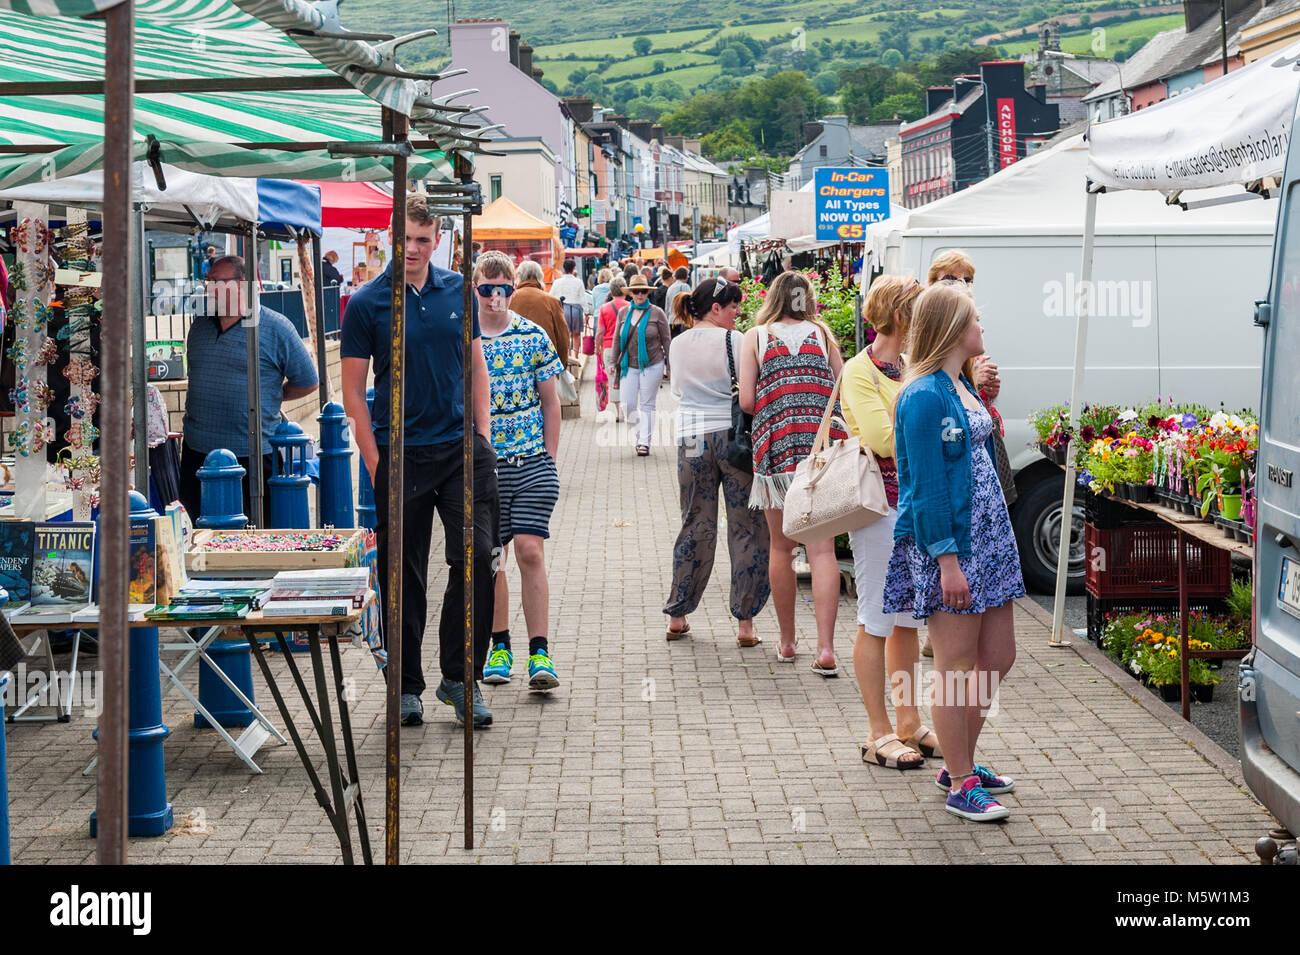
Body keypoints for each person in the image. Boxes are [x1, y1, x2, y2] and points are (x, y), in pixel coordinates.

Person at [340, 194, 499, 729]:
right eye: (405, 238)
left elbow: (476, 366)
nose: (412, 248)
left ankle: (460, 677)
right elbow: (354, 394)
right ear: (390, 235)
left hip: (460, 451)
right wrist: (374, 459)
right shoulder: (367, 303)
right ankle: (405, 685)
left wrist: (482, 433)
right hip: (400, 454)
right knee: (402, 573)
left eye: (423, 240)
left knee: (475, 557)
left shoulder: (459, 291)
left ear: (438, 241)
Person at [881, 281, 1025, 822]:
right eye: (974, 319)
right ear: (952, 329)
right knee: (956, 666)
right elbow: (925, 488)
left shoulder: (958, 383)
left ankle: (960, 757)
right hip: (954, 546)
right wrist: (945, 559)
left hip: (989, 542)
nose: (982, 327)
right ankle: (961, 778)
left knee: (998, 657)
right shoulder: (921, 396)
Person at [841, 275, 941, 771]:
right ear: (902, 316)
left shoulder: (910, 368)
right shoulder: (861, 371)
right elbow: (883, 439)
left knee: (906, 620)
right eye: (918, 310)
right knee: (877, 619)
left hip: (914, 506)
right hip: (880, 509)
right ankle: (877, 732)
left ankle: (909, 721)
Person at [738, 271, 843, 676]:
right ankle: (827, 649)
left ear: (773, 298)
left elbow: (747, 400)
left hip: (776, 447)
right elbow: (841, 387)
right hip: (820, 453)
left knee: (782, 548)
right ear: (808, 298)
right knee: (822, 551)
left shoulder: (757, 336)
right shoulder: (822, 334)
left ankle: (786, 643)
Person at [472, 252, 565, 693]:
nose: (494, 298)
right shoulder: (464, 338)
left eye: (502, 289)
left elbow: (551, 402)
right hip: (484, 466)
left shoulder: (532, 336)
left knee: (530, 549)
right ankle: (500, 645)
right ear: (475, 289)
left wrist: (548, 456)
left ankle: (540, 651)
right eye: (485, 289)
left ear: (513, 288)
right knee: (493, 559)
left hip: (530, 461)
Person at [664, 279, 770, 645]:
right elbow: (748, 389)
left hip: (691, 437)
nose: (738, 312)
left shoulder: (677, 343)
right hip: (732, 437)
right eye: (733, 306)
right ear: (715, 308)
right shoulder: (736, 341)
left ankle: (678, 614)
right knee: (747, 526)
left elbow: (676, 388)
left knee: (695, 521)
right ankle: (745, 624)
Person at [179, 255, 318, 525]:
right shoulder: (199, 326)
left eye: (217, 282)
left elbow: (308, 381)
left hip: (251, 456)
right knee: (196, 535)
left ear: (241, 284)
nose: (209, 289)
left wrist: (269, 397)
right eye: (208, 282)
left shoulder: (276, 327)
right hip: (197, 453)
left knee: (252, 538)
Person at [613, 273, 671, 456]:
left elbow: (667, 340)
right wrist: (612, 362)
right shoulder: (623, 313)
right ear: (630, 293)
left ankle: (644, 442)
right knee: (628, 404)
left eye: (643, 292)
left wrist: (670, 365)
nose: (640, 295)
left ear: (647, 293)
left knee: (648, 404)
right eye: (636, 291)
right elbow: (616, 339)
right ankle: (640, 434)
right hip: (628, 364)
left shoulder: (657, 313)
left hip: (652, 363)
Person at [511, 260, 571, 371]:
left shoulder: (509, 300)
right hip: (546, 365)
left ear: (518, 277)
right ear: (540, 276)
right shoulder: (552, 301)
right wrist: (560, 366)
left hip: (515, 364)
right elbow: (563, 338)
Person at [598, 277, 627, 421]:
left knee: (613, 379)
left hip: (609, 348)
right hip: (628, 348)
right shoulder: (631, 306)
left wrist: (598, 348)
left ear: (611, 291)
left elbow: (600, 332)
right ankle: (628, 408)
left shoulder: (604, 308)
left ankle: (619, 411)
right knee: (628, 379)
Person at [550, 258, 587, 360]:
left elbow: (551, 296)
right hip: (576, 309)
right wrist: (587, 312)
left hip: (562, 309)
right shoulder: (578, 282)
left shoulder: (557, 282)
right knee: (576, 335)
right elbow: (583, 298)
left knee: (565, 335)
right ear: (573, 269)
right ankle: (575, 356)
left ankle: (568, 356)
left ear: (563, 269)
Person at [664, 266, 691, 336]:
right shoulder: (685, 286)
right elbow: (689, 303)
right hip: (682, 320)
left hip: (671, 320)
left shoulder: (670, 287)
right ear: (685, 276)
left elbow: (667, 307)